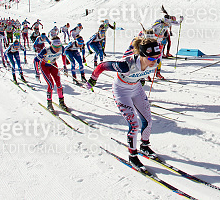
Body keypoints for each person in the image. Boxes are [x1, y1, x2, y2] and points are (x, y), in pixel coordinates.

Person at [86, 37, 161, 170]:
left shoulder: (153, 60)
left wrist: (141, 78)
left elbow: (145, 69)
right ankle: (132, 156)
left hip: (136, 88)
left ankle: (144, 145)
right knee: (134, 125)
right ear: (142, 55)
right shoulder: (126, 65)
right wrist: (93, 79)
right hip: (121, 91)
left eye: (157, 57)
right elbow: (102, 66)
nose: (155, 61)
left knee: (148, 121)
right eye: (151, 59)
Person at [34, 37, 68, 112]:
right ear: (51, 45)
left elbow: (63, 56)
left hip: (53, 65)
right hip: (44, 66)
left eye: (59, 46)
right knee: (51, 85)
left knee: (59, 84)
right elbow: (35, 60)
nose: (57, 49)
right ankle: (49, 103)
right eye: (55, 47)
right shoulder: (45, 51)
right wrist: (37, 73)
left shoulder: (62, 48)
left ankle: (61, 102)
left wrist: (65, 66)